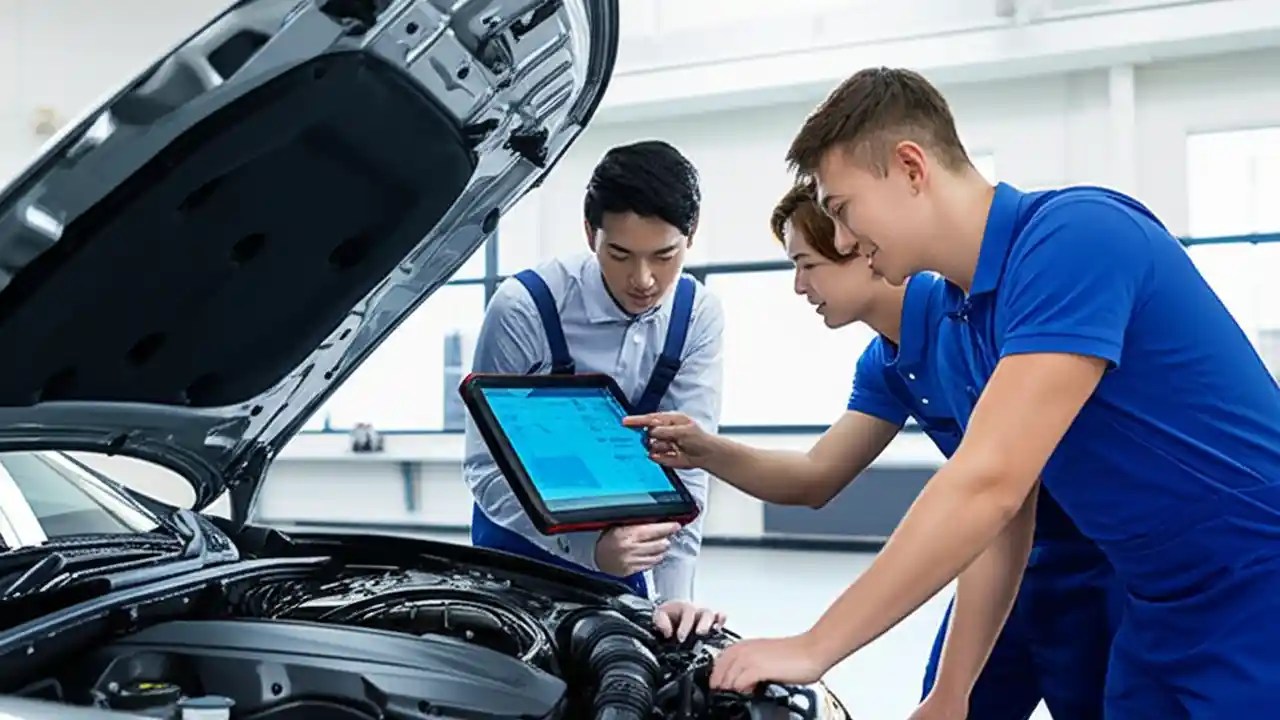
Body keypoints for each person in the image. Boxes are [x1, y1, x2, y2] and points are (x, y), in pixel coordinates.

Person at [702, 66, 1280, 717]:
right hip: (1158, 608)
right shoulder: (969, 321)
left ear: (911, 168)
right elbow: (1004, 517)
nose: (840, 241)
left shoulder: (1074, 236)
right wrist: (955, 691)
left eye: (841, 210)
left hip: (1257, 587)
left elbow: (986, 480)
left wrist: (816, 646)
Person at [626, 182, 1118, 719]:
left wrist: (822, 647)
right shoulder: (884, 362)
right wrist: (705, 450)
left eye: (807, 264)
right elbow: (815, 477)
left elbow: (1000, 495)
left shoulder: (959, 314)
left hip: (1092, 570)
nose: (798, 286)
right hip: (991, 566)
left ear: (860, 246)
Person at [463, 139, 726, 634]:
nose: (643, 279)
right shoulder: (523, 308)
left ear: (690, 237)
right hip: (518, 547)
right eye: (620, 254)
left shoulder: (697, 317)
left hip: (628, 551)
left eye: (665, 255)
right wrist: (587, 550)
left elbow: (688, 465)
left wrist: (674, 597)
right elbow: (483, 468)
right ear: (590, 234)